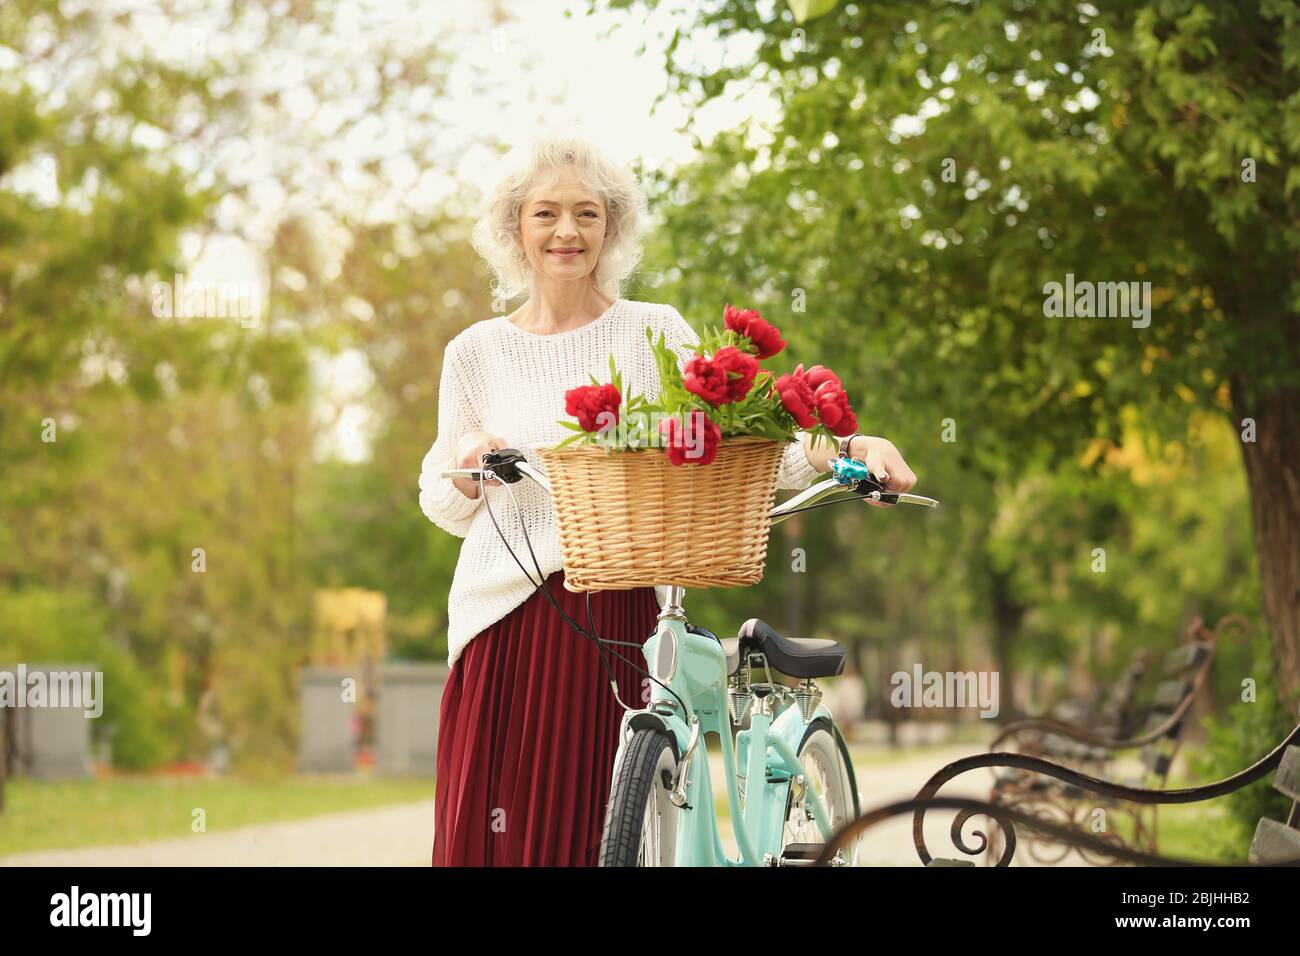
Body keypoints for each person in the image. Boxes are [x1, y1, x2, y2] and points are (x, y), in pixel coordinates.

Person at [419, 133, 915, 866]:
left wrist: (849, 450)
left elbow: (747, 444)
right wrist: (469, 461)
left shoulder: (653, 331)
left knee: (605, 834)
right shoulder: (475, 351)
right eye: (546, 213)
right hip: (503, 621)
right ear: (514, 227)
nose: (566, 232)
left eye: (587, 213)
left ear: (611, 227)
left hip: (617, 612)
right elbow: (446, 500)